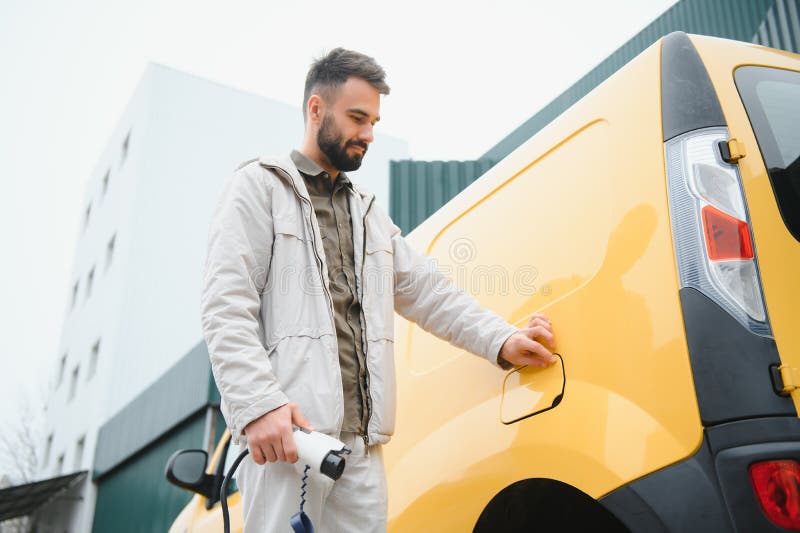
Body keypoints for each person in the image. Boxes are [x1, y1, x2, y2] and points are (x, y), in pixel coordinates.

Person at [200, 47, 556, 532]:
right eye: (357, 118)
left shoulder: (368, 213)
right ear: (316, 109)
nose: (368, 134)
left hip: (360, 454)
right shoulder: (258, 187)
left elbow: (430, 293)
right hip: (288, 441)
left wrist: (501, 339)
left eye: (374, 121)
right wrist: (258, 405)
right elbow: (225, 307)